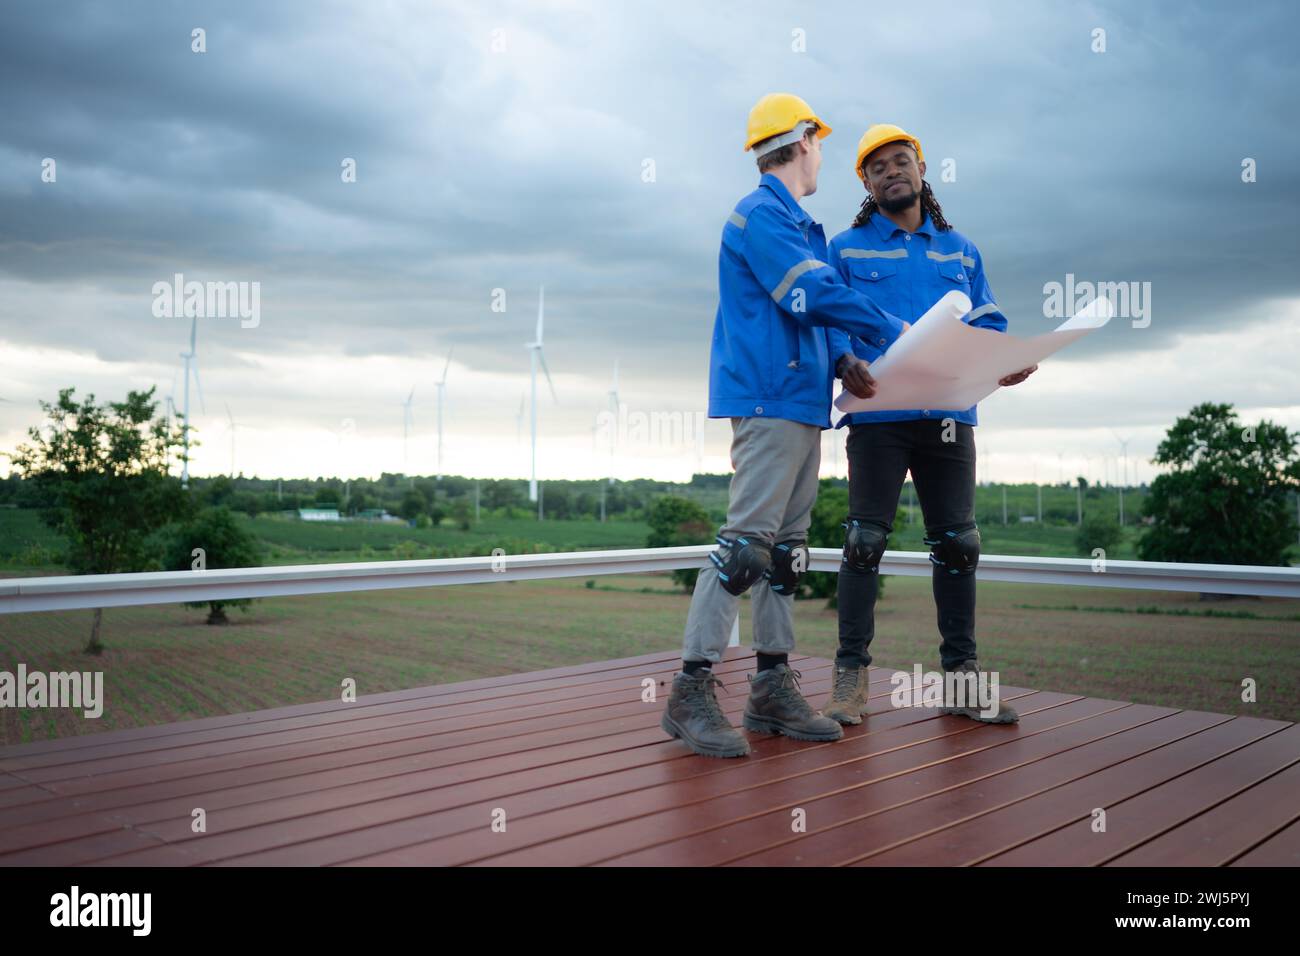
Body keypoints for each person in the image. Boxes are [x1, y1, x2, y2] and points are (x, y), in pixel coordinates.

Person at [661, 95, 907, 758]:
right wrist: (888, 330)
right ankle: (690, 690)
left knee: (787, 554)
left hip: (804, 403)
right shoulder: (761, 218)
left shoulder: (801, 226)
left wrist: (846, 358)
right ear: (802, 141)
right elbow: (808, 293)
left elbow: (812, 318)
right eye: (820, 143)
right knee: (745, 547)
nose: (822, 153)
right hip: (769, 400)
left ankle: (771, 685)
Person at [820, 124, 1035, 726]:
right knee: (864, 542)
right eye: (878, 167)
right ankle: (849, 683)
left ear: (921, 170)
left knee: (958, 546)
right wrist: (844, 360)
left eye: (901, 162)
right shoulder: (845, 248)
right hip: (879, 415)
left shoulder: (961, 251)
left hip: (948, 417)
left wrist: (1005, 360)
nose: (892, 172)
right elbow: (830, 321)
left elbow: (988, 319)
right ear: (865, 182)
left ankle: (962, 683)